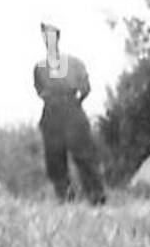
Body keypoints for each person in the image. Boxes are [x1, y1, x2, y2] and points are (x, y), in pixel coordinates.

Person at [33, 22, 106, 204]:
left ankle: (96, 197)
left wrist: (73, 104)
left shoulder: (74, 63)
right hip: (51, 111)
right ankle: (65, 198)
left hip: (72, 109)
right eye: (45, 36)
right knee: (55, 157)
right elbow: (40, 90)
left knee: (84, 156)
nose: (48, 40)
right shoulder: (40, 67)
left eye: (51, 35)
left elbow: (85, 88)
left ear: (58, 37)